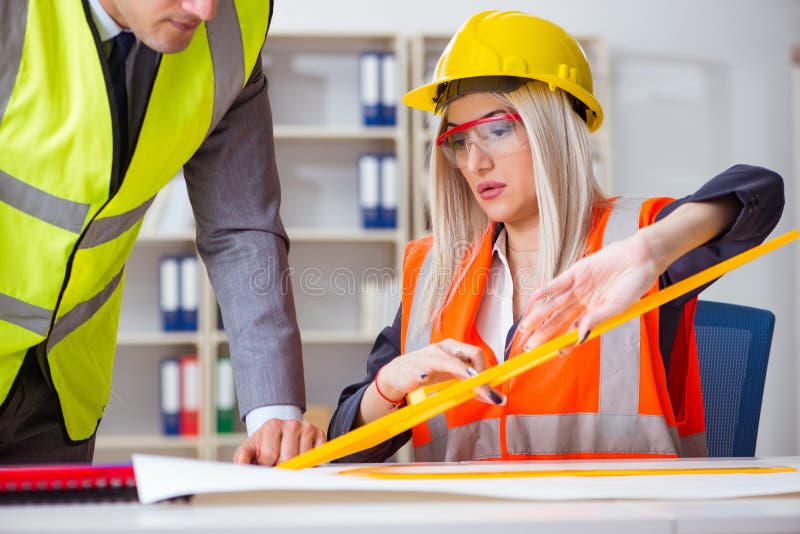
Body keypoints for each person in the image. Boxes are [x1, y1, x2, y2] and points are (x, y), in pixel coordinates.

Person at [328, 10, 784, 462]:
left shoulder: (636, 238)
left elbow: (759, 192)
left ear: (554, 130)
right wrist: (390, 384)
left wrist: (653, 250)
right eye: (459, 141)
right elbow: (344, 447)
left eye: (498, 129)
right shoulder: (433, 270)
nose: (475, 163)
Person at [0, 0, 324, 465]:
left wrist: (274, 418)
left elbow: (242, 228)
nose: (206, 9)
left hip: (57, 390)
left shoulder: (236, 22)